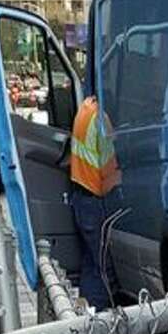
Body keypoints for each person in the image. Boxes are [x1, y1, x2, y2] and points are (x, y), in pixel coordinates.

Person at [69, 95, 120, 311]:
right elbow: (109, 168)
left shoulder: (84, 110)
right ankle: (99, 323)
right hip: (94, 199)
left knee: (91, 263)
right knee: (104, 267)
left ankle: (86, 316)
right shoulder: (101, 119)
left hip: (80, 197)